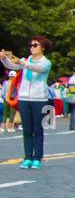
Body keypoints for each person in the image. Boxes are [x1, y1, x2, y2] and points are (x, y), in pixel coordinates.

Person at [1, 35, 54, 169]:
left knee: (37, 129)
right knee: (27, 130)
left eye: (35, 45)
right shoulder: (26, 60)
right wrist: (3, 59)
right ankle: (27, 157)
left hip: (39, 99)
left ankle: (37, 158)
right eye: (30, 45)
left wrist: (22, 62)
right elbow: (13, 65)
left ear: (42, 47)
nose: (32, 47)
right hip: (24, 98)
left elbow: (36, 69)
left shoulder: (45, 62)